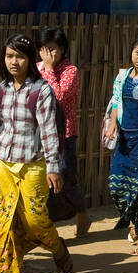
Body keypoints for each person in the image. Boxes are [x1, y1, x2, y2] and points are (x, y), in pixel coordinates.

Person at [0, 34, 74, 273]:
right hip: (1, 162)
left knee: (34, 221)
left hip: (33, 164)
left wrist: (53, 167)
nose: (14, 62)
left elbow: (48, 132)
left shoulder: (41, 90)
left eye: (20, 56)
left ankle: (58, 248)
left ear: (30, 60)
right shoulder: (1, 89)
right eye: (9, 56)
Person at [104, 36, 138, 255]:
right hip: (124, 141)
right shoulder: (122, 76)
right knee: (116, 186)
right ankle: (133, 224)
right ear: (131, 52)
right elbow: (116, 101)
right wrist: (112, 121)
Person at [37, 26, 92, 238]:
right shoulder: (36, 69)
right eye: (43, 50)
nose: (47, 55)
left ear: (62, 49)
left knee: (66, 176)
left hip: (65, 133)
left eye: (52, 50)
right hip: (41, 135)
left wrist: (49, 70)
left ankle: (81, 213)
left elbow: (57, 98)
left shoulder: (71, 71)